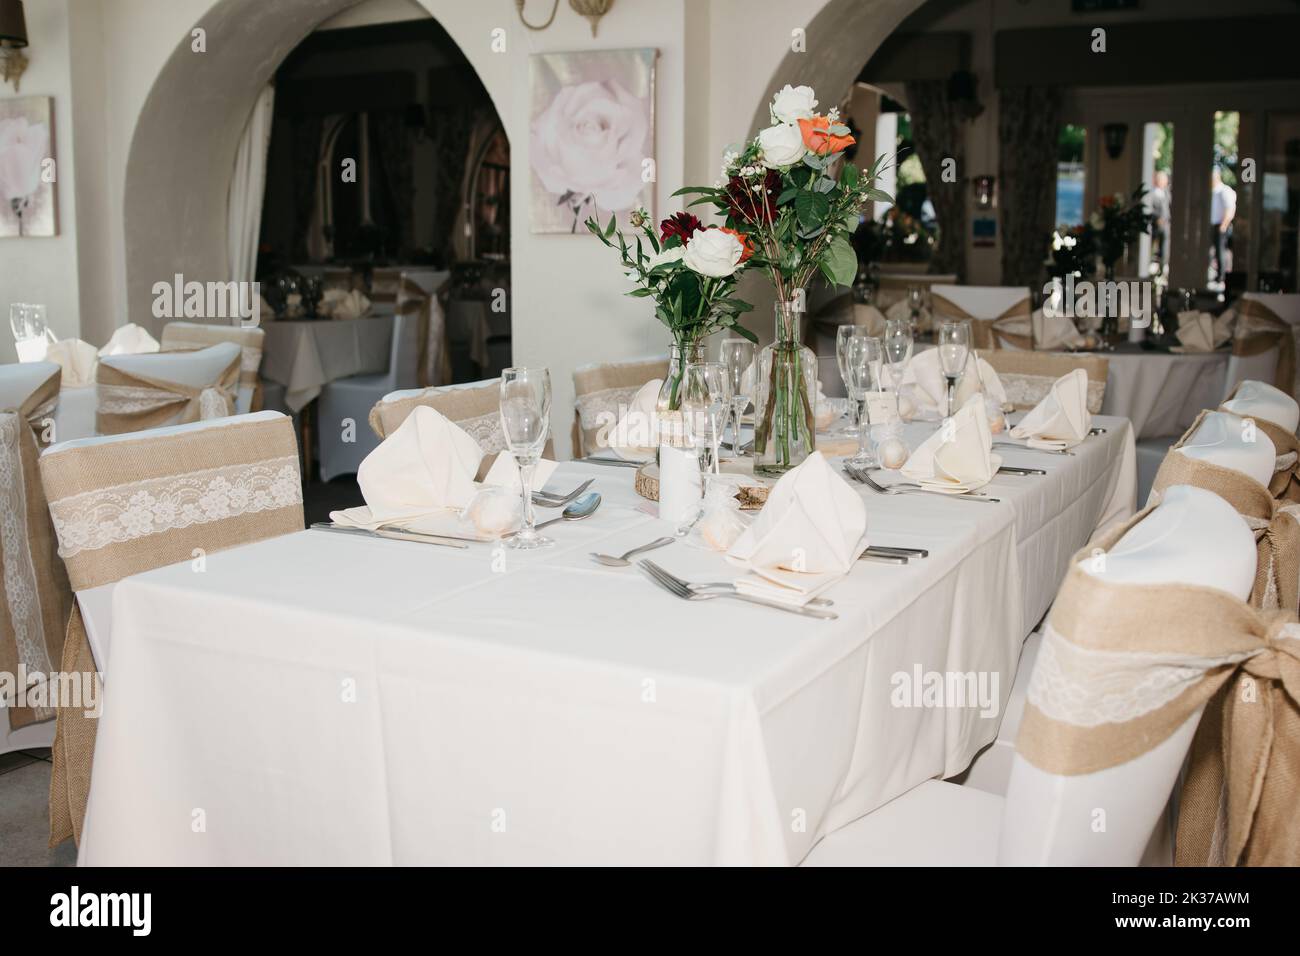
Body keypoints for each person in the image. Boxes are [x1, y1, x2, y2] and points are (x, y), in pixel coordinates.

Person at [1209, 166, 1236, 283]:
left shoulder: (1224, 190)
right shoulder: (1213, 191)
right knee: (1213, 251)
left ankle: (1221, 276)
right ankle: (1214, 273)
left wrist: (1223, 225)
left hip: (1221, 225)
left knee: (1220, 251)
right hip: (1213, 224)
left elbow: (1230, 209)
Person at [1149, 170, 1171, 268]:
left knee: (1164, 247)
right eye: (1163, 180)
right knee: (1151, 246)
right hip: (1155, 224)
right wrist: (1157, 218)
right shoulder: (1152, 193)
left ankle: (1162, 267)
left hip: (1166, 224)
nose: (1165, 182)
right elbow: (1150, 208)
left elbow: (1170, 207)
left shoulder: (1167, 193)